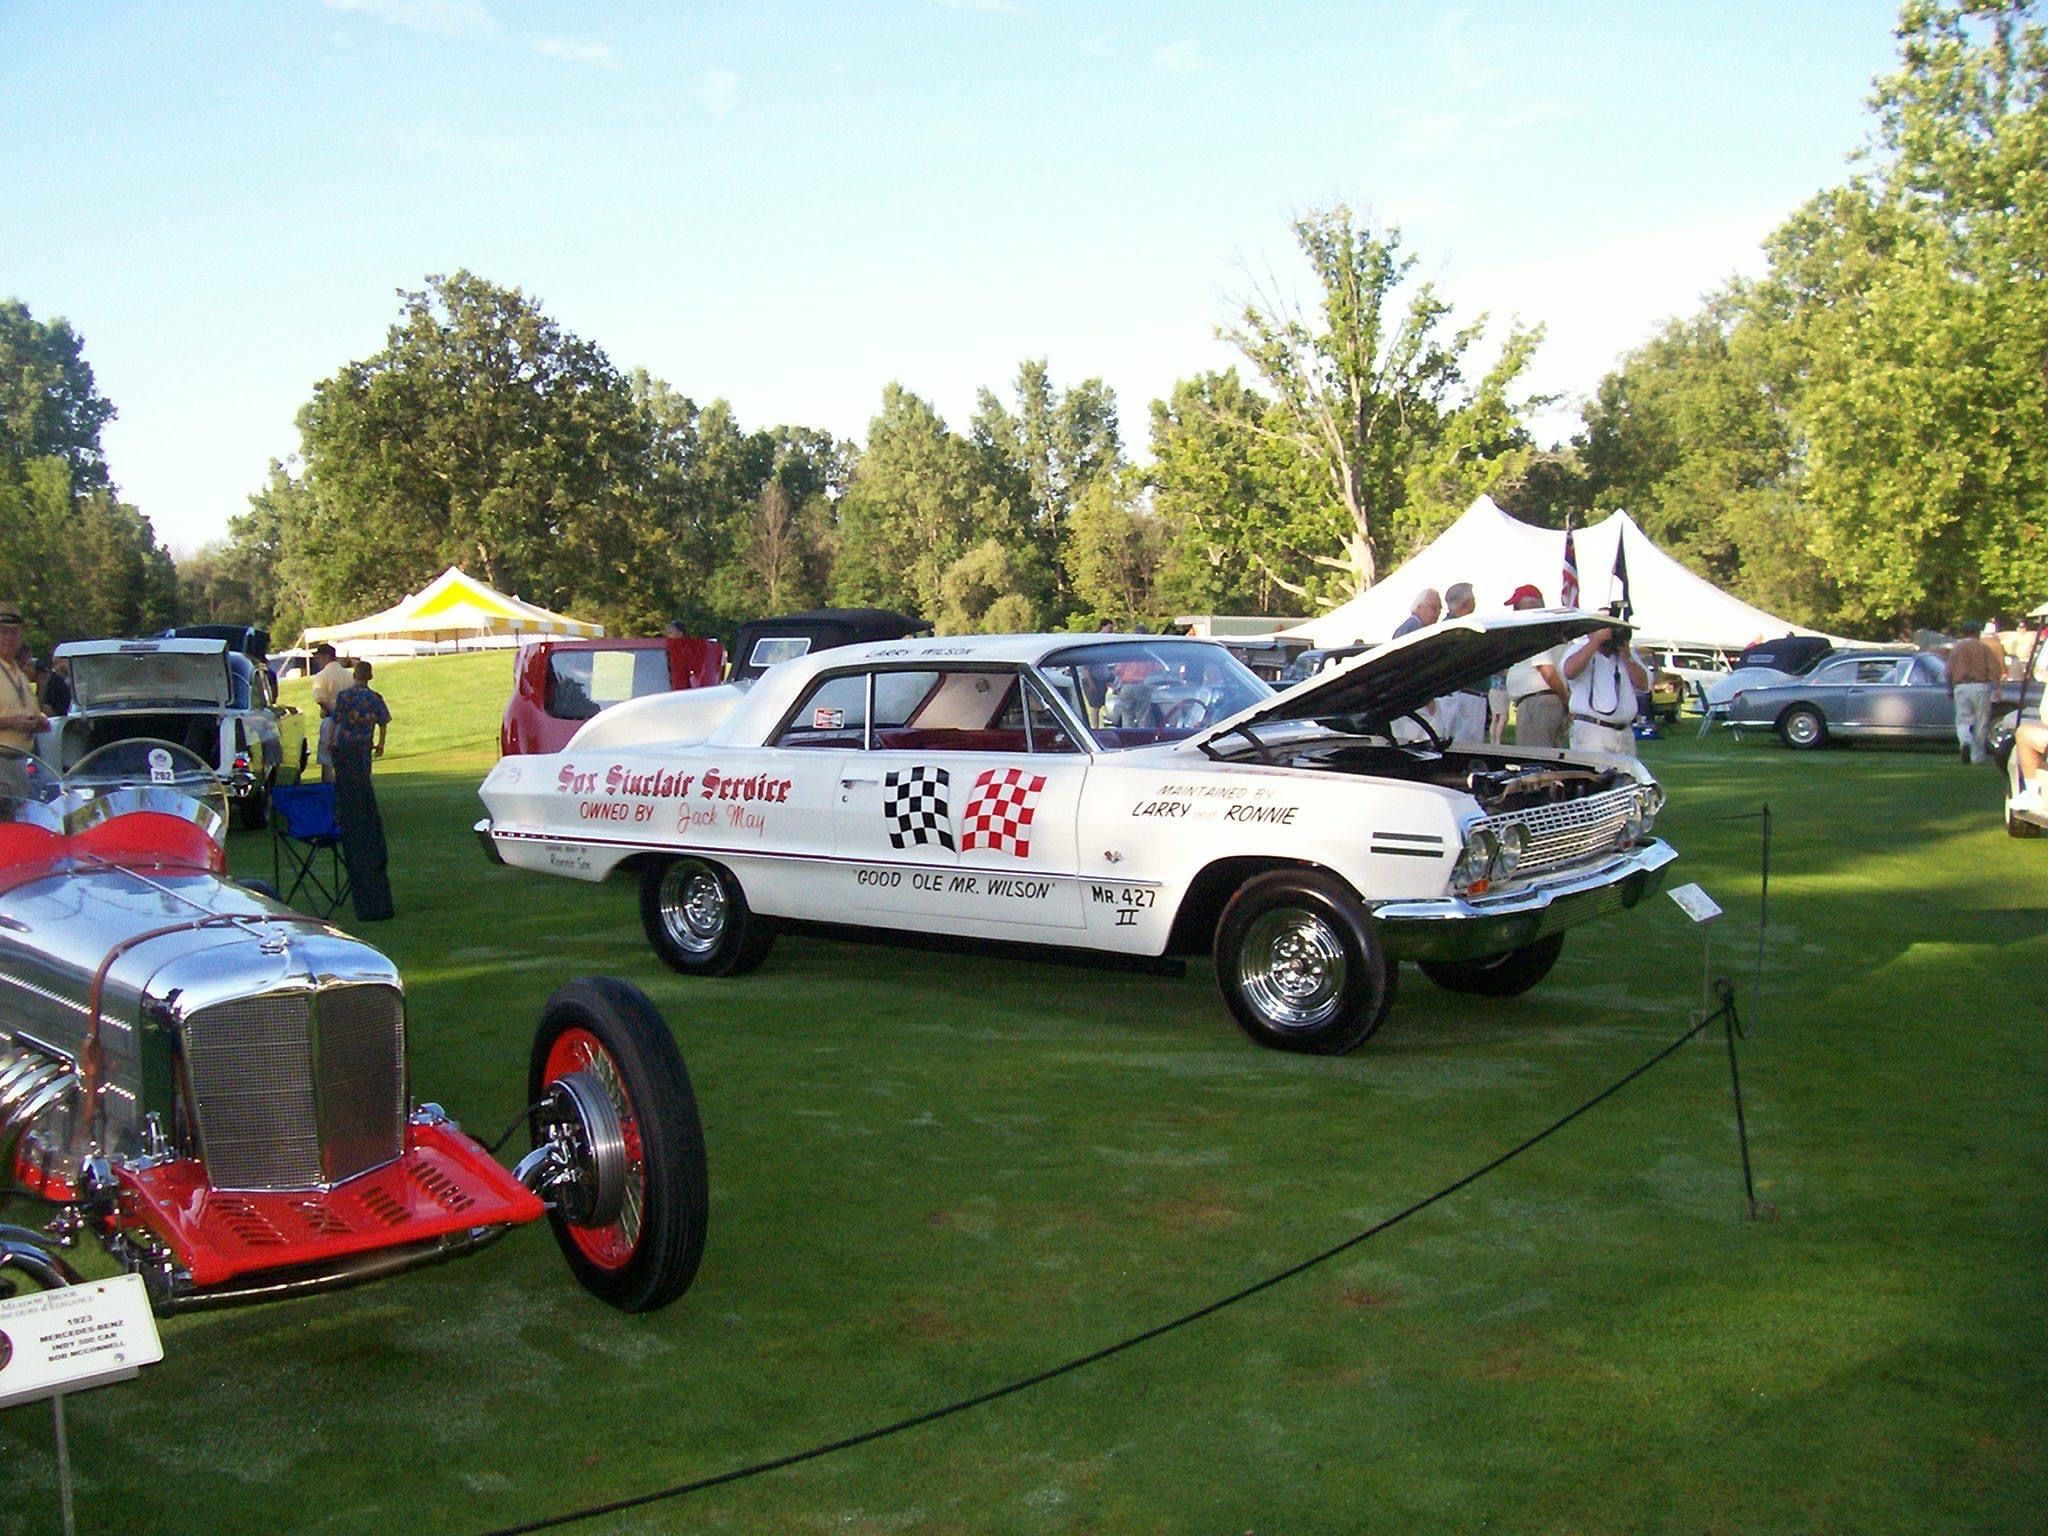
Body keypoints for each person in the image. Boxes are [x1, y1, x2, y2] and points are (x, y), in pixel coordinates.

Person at [329, 661, 394, 921]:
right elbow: (383, 722)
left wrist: (332, 742)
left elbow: (336, 721)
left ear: (354, 676)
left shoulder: (345, 697)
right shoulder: (374, 698)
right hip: (363, 747)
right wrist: (380, 744)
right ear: (371, 676)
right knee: (363, 783)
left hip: (345, 746)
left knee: (347, 786)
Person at [1563, 623, 1649, 756]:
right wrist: (1595, 642)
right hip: (1592, 731)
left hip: (1624, 732)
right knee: (1595, 775)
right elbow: (1569, 671)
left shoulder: (1626, 655)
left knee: (1626, 776)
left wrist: (1626, 656)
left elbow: (1644, 685)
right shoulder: (1579, 649)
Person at [1501, 584, 1569, 748]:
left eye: (1517, 606)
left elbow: (1546, 670)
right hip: (1545, 701)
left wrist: (1566, 700)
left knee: (1534, 757)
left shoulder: (1537, 630)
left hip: (1538, 702)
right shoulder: (1552, 630)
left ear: (1531, 606)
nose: (1515, 611)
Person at [1430, 583, 1488, 742]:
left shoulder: (1446, 627)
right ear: (1467, 603)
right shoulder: (1461, 630)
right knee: (1465, 744)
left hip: (1460, 696)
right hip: (1464, 696)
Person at [0, 606, 47, 799]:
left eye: (14, 632)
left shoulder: (19, 674)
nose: (9, 638)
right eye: (3, 632)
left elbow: (34, 712)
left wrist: (38, 723)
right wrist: (10, 723)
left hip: (21, 763)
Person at [1944, 623, 2001, 765]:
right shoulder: (1983, 648)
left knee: (1963, 720)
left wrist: (1949, 689)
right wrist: (1997, 688)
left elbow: (1948, 672)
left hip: (1961, 686)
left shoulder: (1956, 649)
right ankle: (1977, 755)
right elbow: (1994, 669)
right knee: (1981, 721)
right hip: (1981, 686)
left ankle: (1965, 741)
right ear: (1977, 632)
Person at [308, 643, 352, 783]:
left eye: (319, 657)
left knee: (327, 759)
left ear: (327, 656)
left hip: (331, 719)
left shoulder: (321, 676)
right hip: (350, 721)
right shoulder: (349, 675)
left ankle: (328, 787)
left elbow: (321, 699)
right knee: (346, 757)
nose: (317, 661)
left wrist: (335, 714)